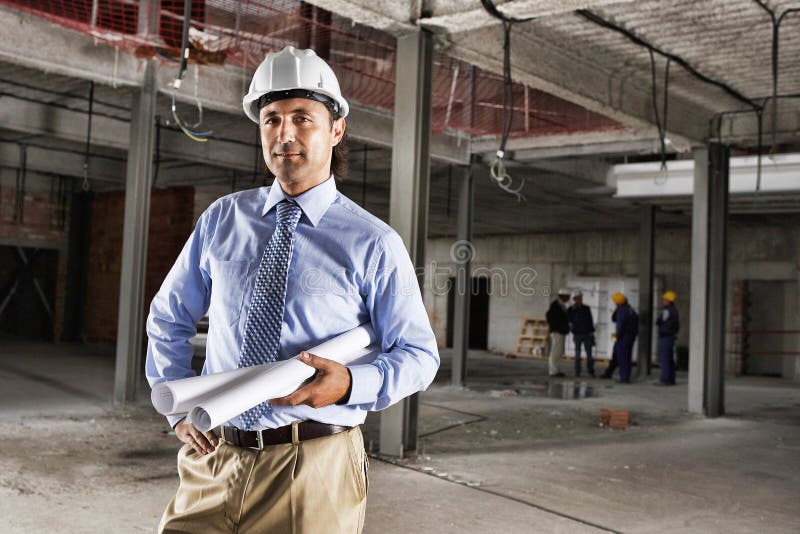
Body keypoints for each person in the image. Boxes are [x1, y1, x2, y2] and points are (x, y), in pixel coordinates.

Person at [145, 46, 440, 534]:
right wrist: (177, 408)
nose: (285, 134)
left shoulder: (374, 242)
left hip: (313, 465)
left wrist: (350, 384)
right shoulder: (223, 219)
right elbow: (168, 315)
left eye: (303, 118)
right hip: (214, 458)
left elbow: (419, 355)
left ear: (336, 130)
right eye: (272, 119)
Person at [601, 292, 638, 383]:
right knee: (621, 356)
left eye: (615, 302)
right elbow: (614, 319)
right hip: (630, 337)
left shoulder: (622, 311)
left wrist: (617, 336)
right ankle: (610, 373)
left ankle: (624, 378)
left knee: (623, 358)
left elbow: (620, 325)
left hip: (623, 338)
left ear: (618, 302)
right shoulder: (630, 309)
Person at [567, 290, 595, 377]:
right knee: (577, 354)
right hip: (577, 334)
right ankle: (577, 371)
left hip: (587, 334)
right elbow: (569, 320)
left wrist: (592, 332)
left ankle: (590, 371)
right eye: (578, 298)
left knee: (589, 354)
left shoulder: (586, 308)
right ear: (574, 299)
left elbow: (590, 320)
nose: (580, 299)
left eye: (580, 298)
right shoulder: (571, 309)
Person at [655, 290, 680, 385]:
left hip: (665, 337)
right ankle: (671, 379)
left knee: (664, 359)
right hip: (671, 337)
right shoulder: (674, 311)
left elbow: (659, 321)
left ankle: (665, 379)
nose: (663, 301)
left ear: (668, 300)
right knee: (669, 359)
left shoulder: (667, 311)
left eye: (664, 299)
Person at [545, 288, 571, 377]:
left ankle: (556, 369)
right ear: (563, 296)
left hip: (561, 331)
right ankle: (553, 371)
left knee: (559, 351)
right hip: (557, 332)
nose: (568, 299)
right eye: (568, 297)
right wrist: (555, 328)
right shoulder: (555, 305)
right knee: (555, 351)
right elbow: (549, 316)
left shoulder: (561, 305)